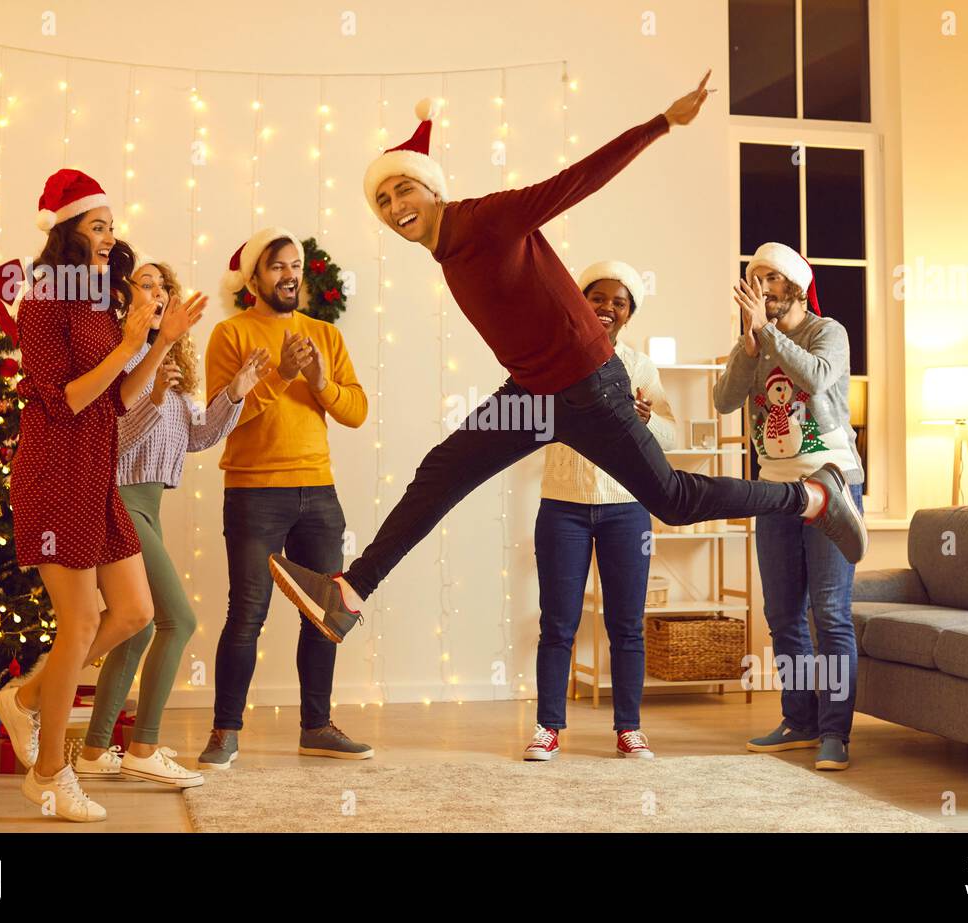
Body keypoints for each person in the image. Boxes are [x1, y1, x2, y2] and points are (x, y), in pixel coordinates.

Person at [268, 72, 866, 646]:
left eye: (404, 188)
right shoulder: (448, 254)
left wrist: (662, 122)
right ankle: (349, 593)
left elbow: (577, 180)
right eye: (383, 198)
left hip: (589, 388)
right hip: (533, 396)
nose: (395, 203)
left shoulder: (485, 218)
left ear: (433, 190)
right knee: (442, 470)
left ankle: (810, 498)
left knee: (675, 500)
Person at [0, 169, 205, 822]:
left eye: (112, 226)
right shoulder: (44, 302)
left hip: (96, 475)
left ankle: (27, 698)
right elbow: (67, 399)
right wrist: (127, 342)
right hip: (55, 475)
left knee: (136, 611)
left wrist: (160, 341)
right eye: (96, 225)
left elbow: (117, 400)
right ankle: (51, 773)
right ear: (65, 234)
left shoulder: (97, 304)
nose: (110, 237)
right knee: (81, 622)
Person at [74, 244, 268, 787]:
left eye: (164, 286)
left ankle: (92, 752)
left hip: (151, 506)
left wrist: (235, 393)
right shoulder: (119, 354)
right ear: (125, 295)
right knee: (178, 619)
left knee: (135, 631)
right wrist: (155, 388)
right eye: (145, 284)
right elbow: (114, 437)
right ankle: (144, 746)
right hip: (119, 499)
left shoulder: (172, 364)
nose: (158, 293)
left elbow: (197, 438)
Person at [197, 228, 372, 771]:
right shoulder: (230, 335)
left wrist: (319, 380)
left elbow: (356, 411)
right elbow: (222, 419)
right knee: (246, 614)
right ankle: (225, 732)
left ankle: (316, 728)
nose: (289, 275)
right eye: (276, 267)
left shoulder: (324, 334)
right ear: (253, 279)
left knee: (325, 613)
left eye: (294, 265)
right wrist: (280, 375)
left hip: (318, 492)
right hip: (253, 493)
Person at [713, 242, 865, 771]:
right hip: (775, 491)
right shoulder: (756, 339)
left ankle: (835, 733)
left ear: (795, 286)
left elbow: (818, 378)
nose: (759, 288)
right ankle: (799, 721)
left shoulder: (828, 331)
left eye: (769, 279)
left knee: (829, 612)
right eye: (753, 279)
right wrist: (750, 345)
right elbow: (724, 399)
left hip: (829, 484)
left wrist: (771, 335)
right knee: (782, 615)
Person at [525, 261, 675, 762]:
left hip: (625, 510)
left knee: (626, 624)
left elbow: (674, 435)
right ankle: (548, 727)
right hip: (562, 506)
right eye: (597, 298)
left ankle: (629, 728)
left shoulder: (641, 367)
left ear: (630, 314)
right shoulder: (552, 358)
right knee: (558, 623)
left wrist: (648, 421)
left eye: (619, 302)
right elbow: (527, 418)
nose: (607, 308)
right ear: (580, 302)